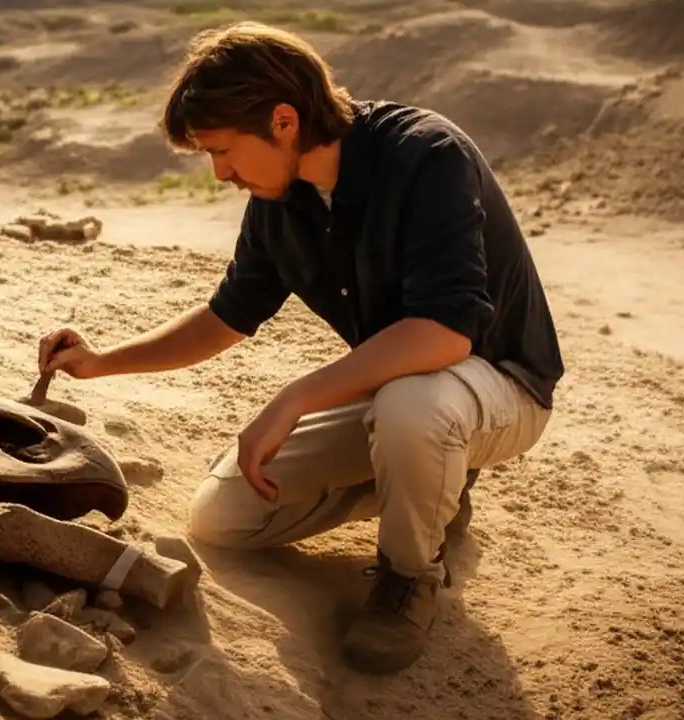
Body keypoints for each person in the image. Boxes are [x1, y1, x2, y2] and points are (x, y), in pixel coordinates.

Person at [36, 21, 563, 674]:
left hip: (500, 386)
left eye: (223, 150)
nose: (219, 172)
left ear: (283, 120)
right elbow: (225, 318)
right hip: (407, 396)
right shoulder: (278, 201)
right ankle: (430, 487)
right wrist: (101, 361)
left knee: (412, 409)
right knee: (223, 517)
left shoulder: (426, 156)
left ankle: (409, 577)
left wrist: (296, 399)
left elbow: (444, 333)